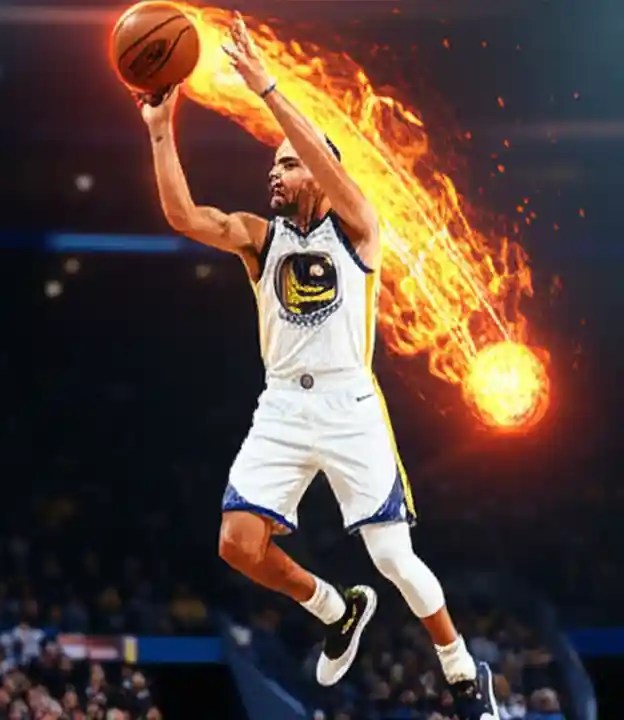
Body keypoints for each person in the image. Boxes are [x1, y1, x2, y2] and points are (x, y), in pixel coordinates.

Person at [135, 13, 497, 719]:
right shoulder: (258, 238)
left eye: (288, 163)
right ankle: (334, 608)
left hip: (348, 405)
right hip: (282, 406)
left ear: (321, 173)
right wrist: (158, 127)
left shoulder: (360, 226)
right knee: (237, 545)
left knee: (394, 558)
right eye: (272, 165)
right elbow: (184, 217)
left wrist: (270, 90)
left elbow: (327, 162)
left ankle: (461, 671)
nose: (275, 172)